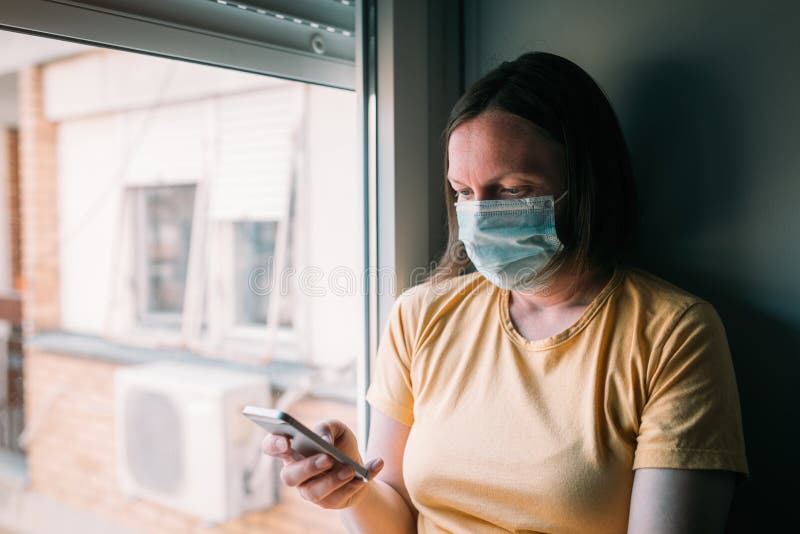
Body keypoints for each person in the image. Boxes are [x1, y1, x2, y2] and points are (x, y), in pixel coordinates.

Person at [261, 51, 748, 533]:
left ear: (584, 184)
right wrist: (351, 484)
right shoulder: (419, 315)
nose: (480, 215)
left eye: (512, 189)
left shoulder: (674, 335)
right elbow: (394, 517)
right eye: (464, 193)